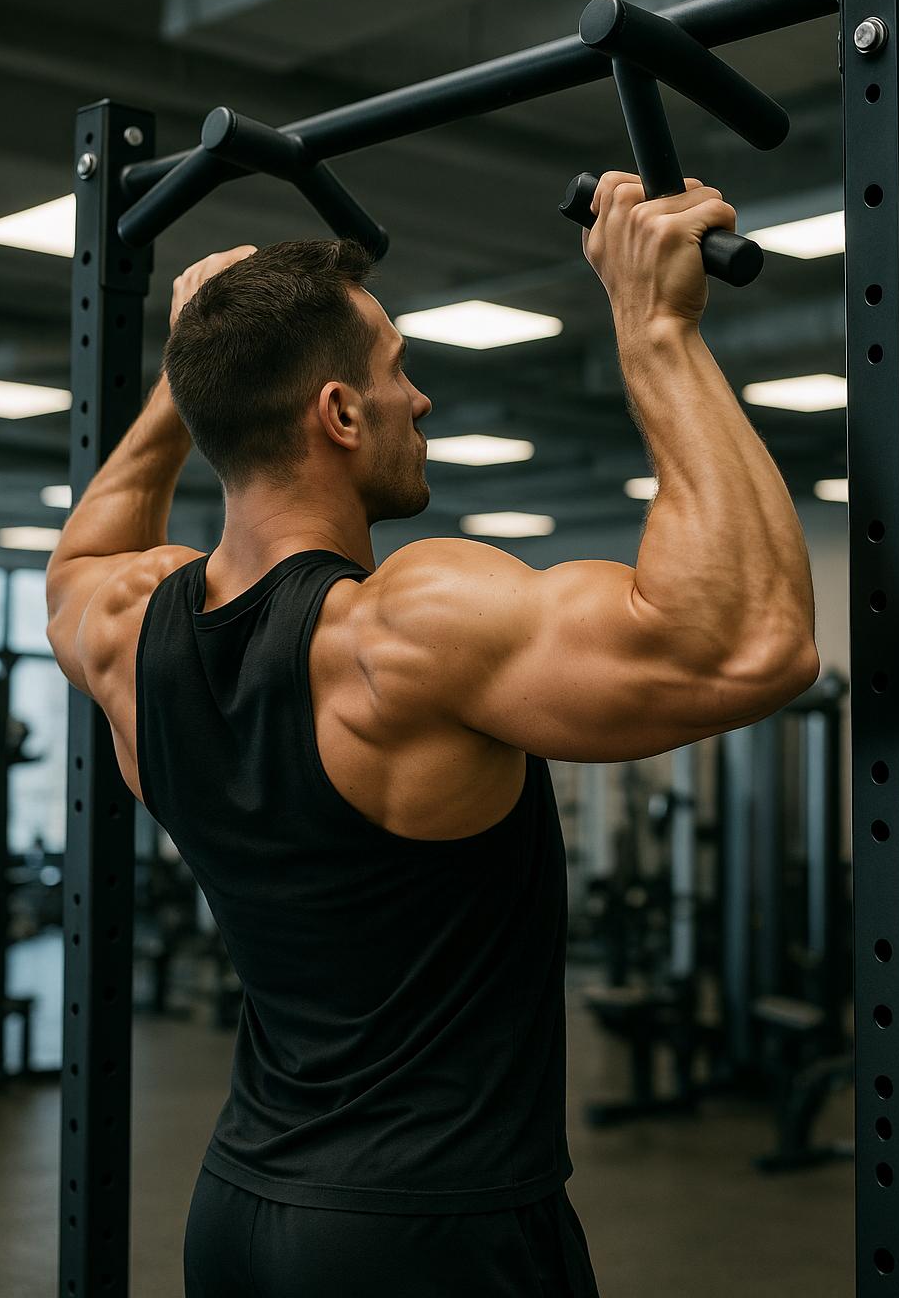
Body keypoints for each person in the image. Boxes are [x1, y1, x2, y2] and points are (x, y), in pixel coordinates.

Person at [46, 172, 819, 1297]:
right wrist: (655, 327)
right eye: (399, 372)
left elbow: (77, 560)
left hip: (238, 1216)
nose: (422, 401)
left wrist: (189, 377)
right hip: (426, 1236)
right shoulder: (399, 633)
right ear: (340, 414)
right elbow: (752, 642)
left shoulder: (128, 635)